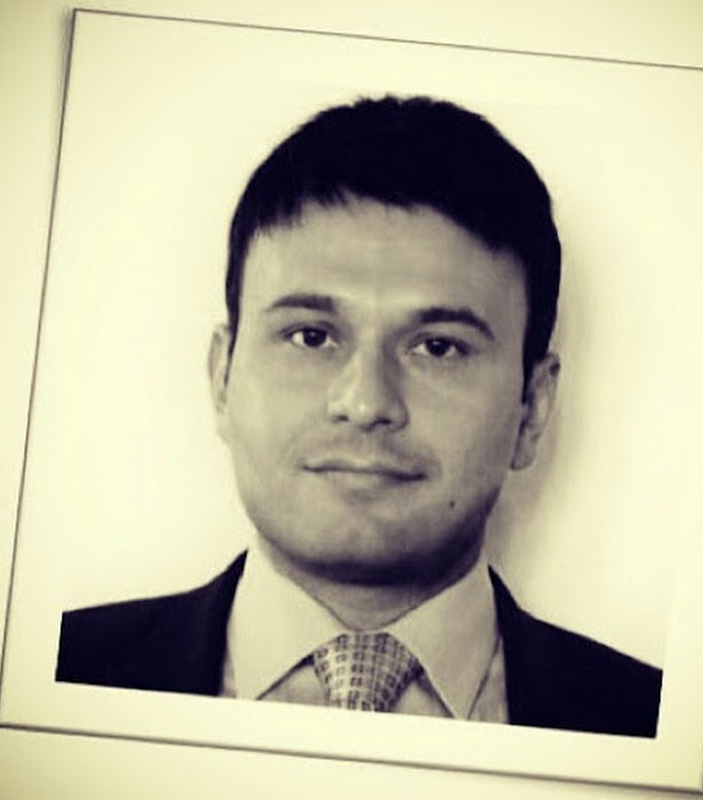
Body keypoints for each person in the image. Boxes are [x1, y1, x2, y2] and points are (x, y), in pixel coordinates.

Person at [56, 95, 662, 736]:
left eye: (438, 347)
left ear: (532, 408)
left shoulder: (651, 729)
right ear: (223, 377)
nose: (367, 403)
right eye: (312, 336)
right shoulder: (49, 678)